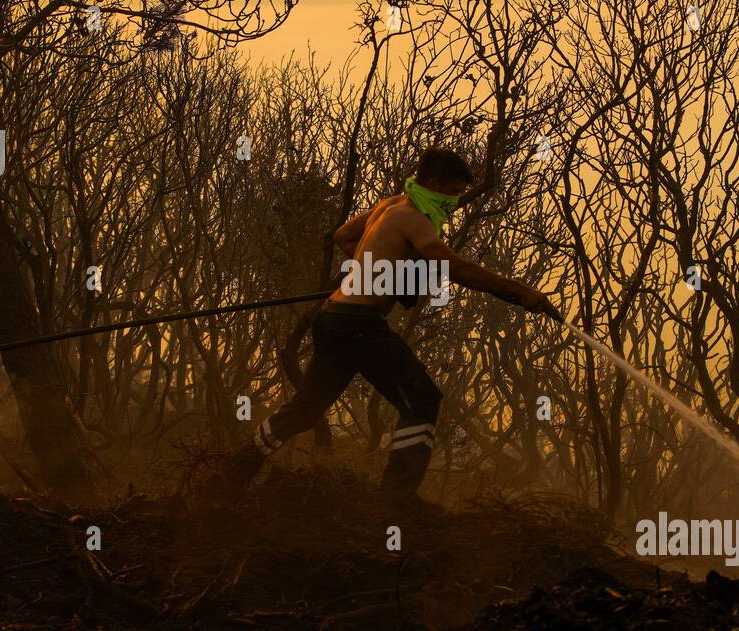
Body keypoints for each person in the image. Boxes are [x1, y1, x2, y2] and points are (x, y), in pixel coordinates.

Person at [223, 147, 561, 511]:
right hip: (358, 325)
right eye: (453, 192)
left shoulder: (390, 206)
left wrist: (379, 269)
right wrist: (521, 293)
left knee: (305, 410)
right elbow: (458, 269)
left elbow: (343, 235)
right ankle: (395, 502)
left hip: (333, 317)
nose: (454, 202)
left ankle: (230, 474)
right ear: (433, 184)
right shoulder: (413, 218)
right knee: (423, 400)